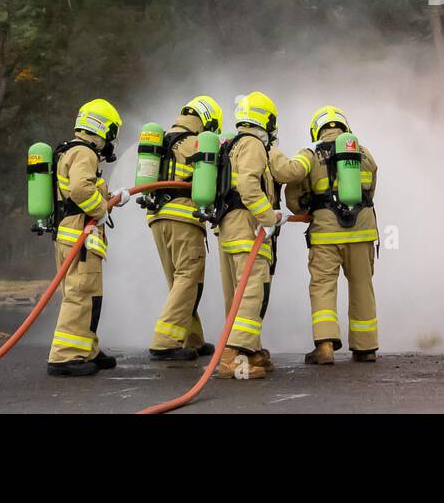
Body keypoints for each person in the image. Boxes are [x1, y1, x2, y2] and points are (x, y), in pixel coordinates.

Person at [282, 105, 379, 365]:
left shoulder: (311, 154)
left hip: (326, 236)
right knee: (362, 286)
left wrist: (306, 209)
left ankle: (325, 346)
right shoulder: (363, 153)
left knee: (323, 287)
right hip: (362, 232)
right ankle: (366, 347)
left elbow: (293, 196)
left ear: (318, 129)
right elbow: (370, 191)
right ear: (344, 128)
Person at [47, 98, 128, 377]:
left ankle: (86, 347)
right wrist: (102, 209)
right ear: (103, 129)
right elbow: (81, 190)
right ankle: (65, 357)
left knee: (87, 294)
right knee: (81, 294)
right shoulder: (85, 153)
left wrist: (112, 195)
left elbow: (82, 187)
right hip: (80, 236)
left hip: (69, 234)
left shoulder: (68, 150)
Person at [143, 95, 221, 361]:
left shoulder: (161, 140)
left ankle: (192, 338)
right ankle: (165, 341)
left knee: (179, 280)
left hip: (157, 218)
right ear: (207, 121)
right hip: (184, 218)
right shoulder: (195, 143)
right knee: (188, 277)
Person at [212, 91, 283, 380]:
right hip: (246, 228)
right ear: (265, 120)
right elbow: (248, 185)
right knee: (252, 291)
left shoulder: (230, 144)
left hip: (229, 227)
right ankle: (231, 358)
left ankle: (249, 351)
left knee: (237, 295)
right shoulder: (253, 144)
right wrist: (269, 217)